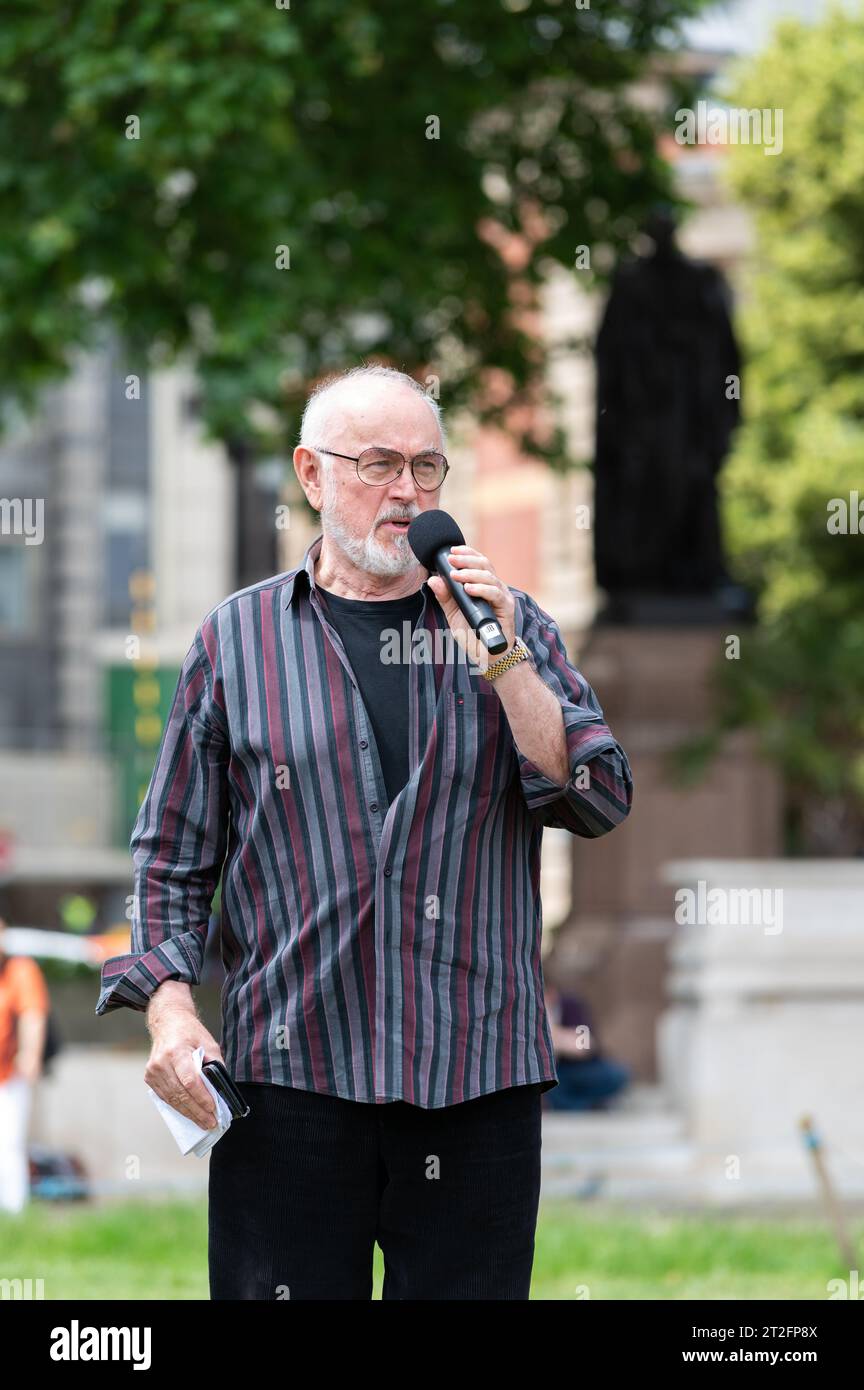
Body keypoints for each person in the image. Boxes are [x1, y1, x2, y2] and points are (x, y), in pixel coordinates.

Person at [96, 364, 633, 1300]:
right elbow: (171, 858)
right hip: (289, 1083)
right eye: (378, 465)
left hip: (474, 1080)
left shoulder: (510, 628)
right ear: (311, 474)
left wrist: (504, 659)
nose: (408, 493)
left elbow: (595, 797)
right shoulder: (238, 641)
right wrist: (171, 1011)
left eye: (426, 469)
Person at [0, 916, 49, 1213]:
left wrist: (30, 1054)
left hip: (8, 1076)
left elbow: (33, 1014)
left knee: (8, 1144)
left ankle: (13, 1209)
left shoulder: (19, 969)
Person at [543, 984, 631, 1112]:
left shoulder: (570, 1005)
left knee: (618, 1074)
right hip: (558, 1073)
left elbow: (584, 1046)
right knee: (553, 1089)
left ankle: (590, 1104)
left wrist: (555, 1035)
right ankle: (589, 1106)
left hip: (584, 1067)